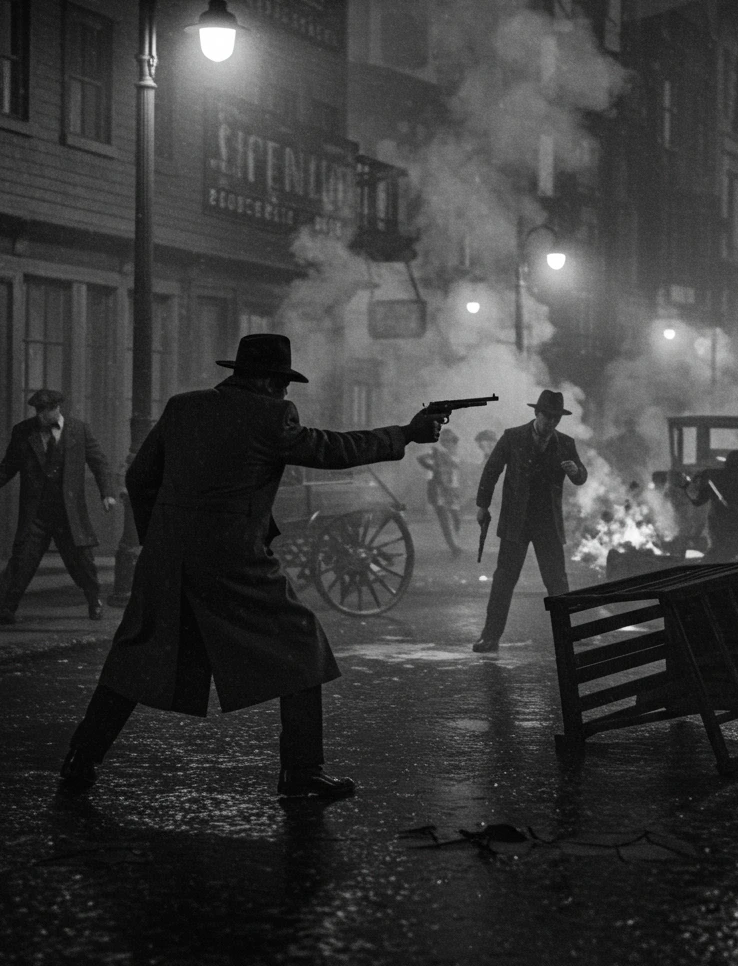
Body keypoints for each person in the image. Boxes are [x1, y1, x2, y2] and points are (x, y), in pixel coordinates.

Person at [59, 334, 445, 798]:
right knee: (302, 646)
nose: (285, 393)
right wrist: (406, 433)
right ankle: (301, 774)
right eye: (282, 383)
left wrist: (159, 539)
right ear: (266, 381)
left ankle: (81, 759)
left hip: (167, 558)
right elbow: (334, 451)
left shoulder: (183, 407)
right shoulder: (271, 415)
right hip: (233, 558)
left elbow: (140, 477)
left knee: (135, 657)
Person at [472, 389, 587, 653]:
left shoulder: (565, 443)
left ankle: (566, 638)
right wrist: (482, 506)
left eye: (556, 420)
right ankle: (490, 637)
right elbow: (492, 470)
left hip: (548, 523)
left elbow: (581, 476)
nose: (551, 424)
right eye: (548, 418)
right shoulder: (513, 437)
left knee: (557, 582)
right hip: (516, 521)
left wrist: (576, 472)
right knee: (504, 580)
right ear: (537, 413)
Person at [0, 389, 116, 624]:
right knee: (22, 561)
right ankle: (5, 608)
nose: (41, 415)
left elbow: (99, 462)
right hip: (36, 514)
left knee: (82, 562)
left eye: (46, 410)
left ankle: (94, 602)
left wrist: (107, 493)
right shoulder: (23, 431)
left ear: (57, 408)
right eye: (37, 410)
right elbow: (7, 467)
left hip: (69, 514)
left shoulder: (79, 430)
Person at [418, 428, 462, 558]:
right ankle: (454, 547)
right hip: (438, 489)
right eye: (445, 440)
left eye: (450, 440)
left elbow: (456, 471)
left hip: (451, 489)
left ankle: (457, 542)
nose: (448, 443)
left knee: (456, 517)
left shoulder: (455, 453)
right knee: (444, 520)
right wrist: (432, 467)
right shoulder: (436, 451)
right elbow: (420, 458)